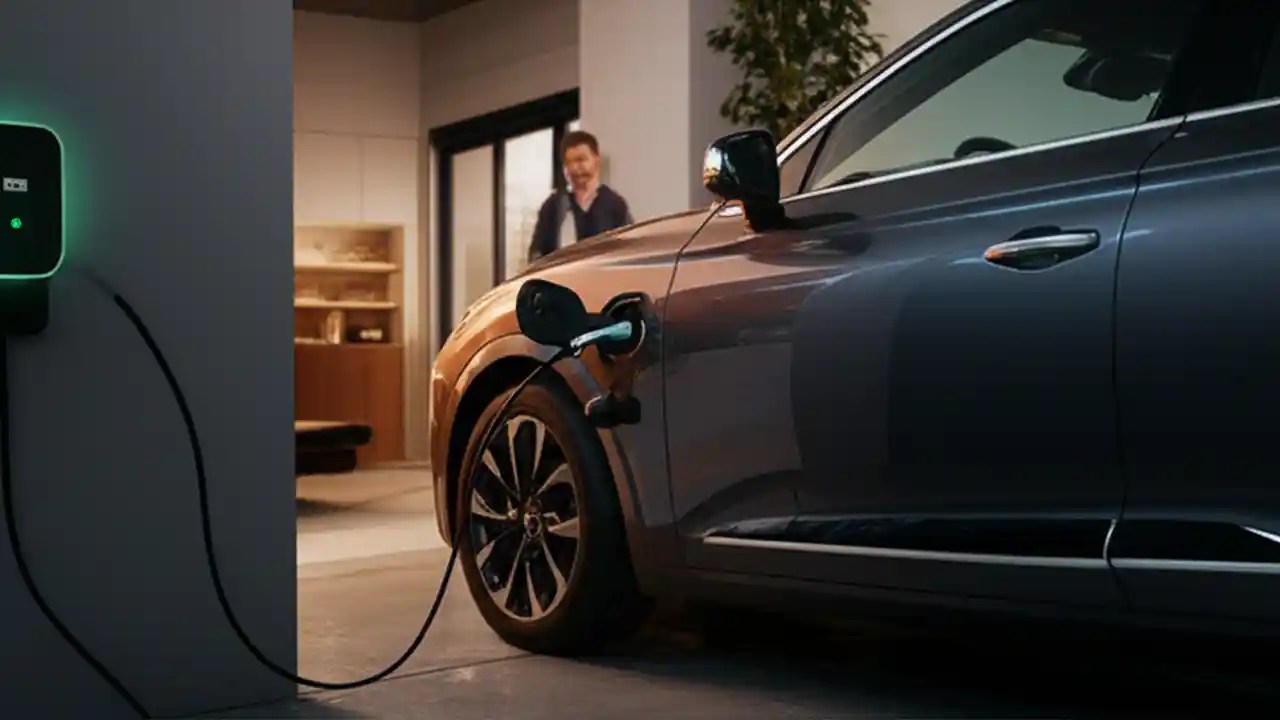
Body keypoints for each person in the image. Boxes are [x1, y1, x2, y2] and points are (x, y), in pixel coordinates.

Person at [527, 130, 633, 262]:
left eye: (581, 160)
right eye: (568, 163)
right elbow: (537, 254)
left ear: (596, 161)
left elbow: (628, 253)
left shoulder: (615, 205)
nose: (574, 168)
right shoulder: (554, 206)